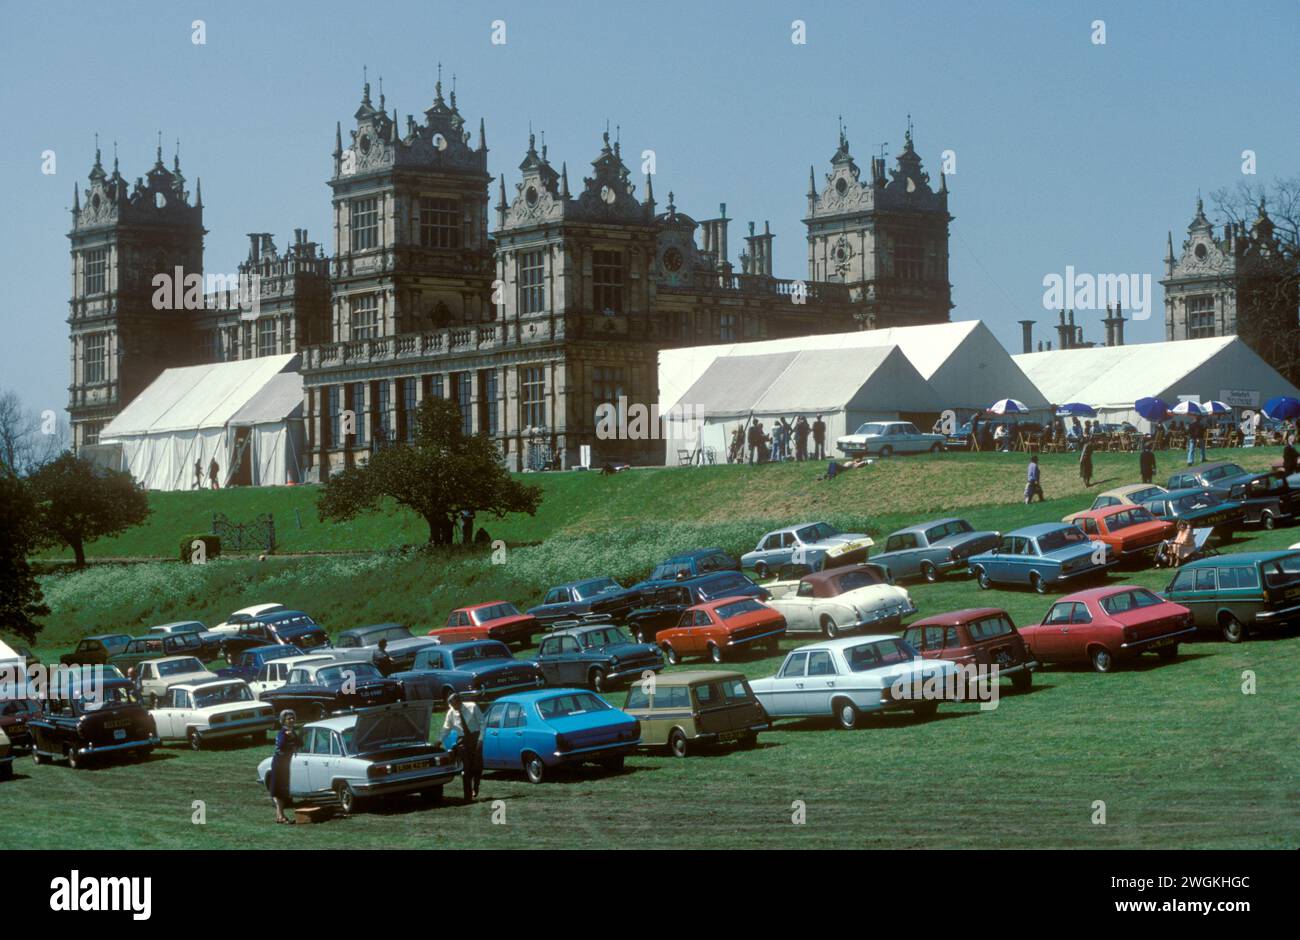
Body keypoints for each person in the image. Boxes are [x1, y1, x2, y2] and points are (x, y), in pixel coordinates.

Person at [443, 692, 484, 801]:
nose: (453, 707)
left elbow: (482, 723)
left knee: (477, 766)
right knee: (465, 768)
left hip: (475, 738)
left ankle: (476, 786)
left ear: (459, 702)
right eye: (451, 705)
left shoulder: (473, 706)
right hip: (462, 740)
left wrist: (480, 739)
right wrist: (439, 740)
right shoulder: (451, 712)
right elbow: (446, 728)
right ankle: (468, 796)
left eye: (454, 705)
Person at [271, 710, 299, 824]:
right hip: (279, 764)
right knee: (278, 790)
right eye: (289, 718)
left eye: (292, 718)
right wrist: (290, 737)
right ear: (283, 721)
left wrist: (293, 737)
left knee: (283, 790)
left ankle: (279, 816)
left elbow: (300, 743)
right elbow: (281, 745)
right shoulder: (282, 732)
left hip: (286, 764)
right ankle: (281, 816)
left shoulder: (292, 732)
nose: (291, 720)